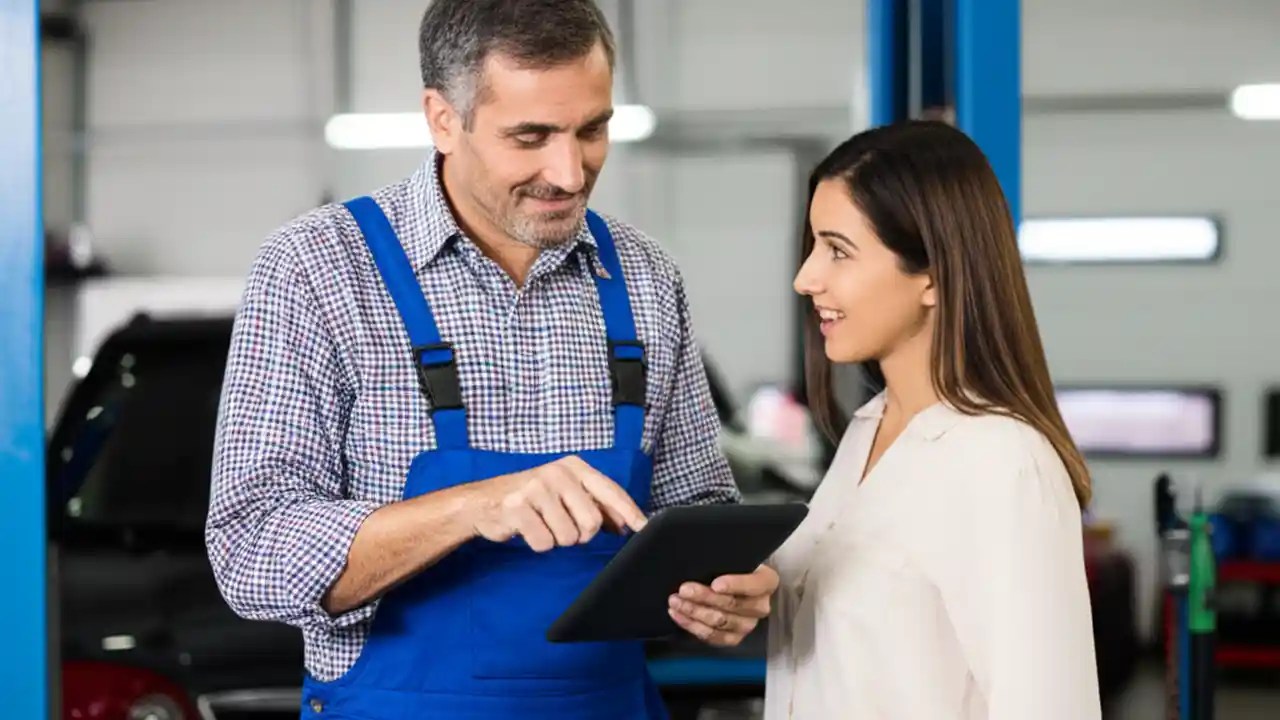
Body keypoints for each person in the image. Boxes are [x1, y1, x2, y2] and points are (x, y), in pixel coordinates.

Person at [205, 1, 778, 718]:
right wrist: (476, 506)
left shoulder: (645, 278)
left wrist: (725, 590)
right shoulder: (317, 270)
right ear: (443, 118)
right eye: (530, 136)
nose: (569, 172)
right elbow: (252, 550)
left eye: (592, 130)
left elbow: (696, 508)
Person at [764, 120, 1102, 719]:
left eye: (838, 250)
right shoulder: (870, 429)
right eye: (813, 246)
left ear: (934, 276)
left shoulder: (1002, 462)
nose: (805, 278)